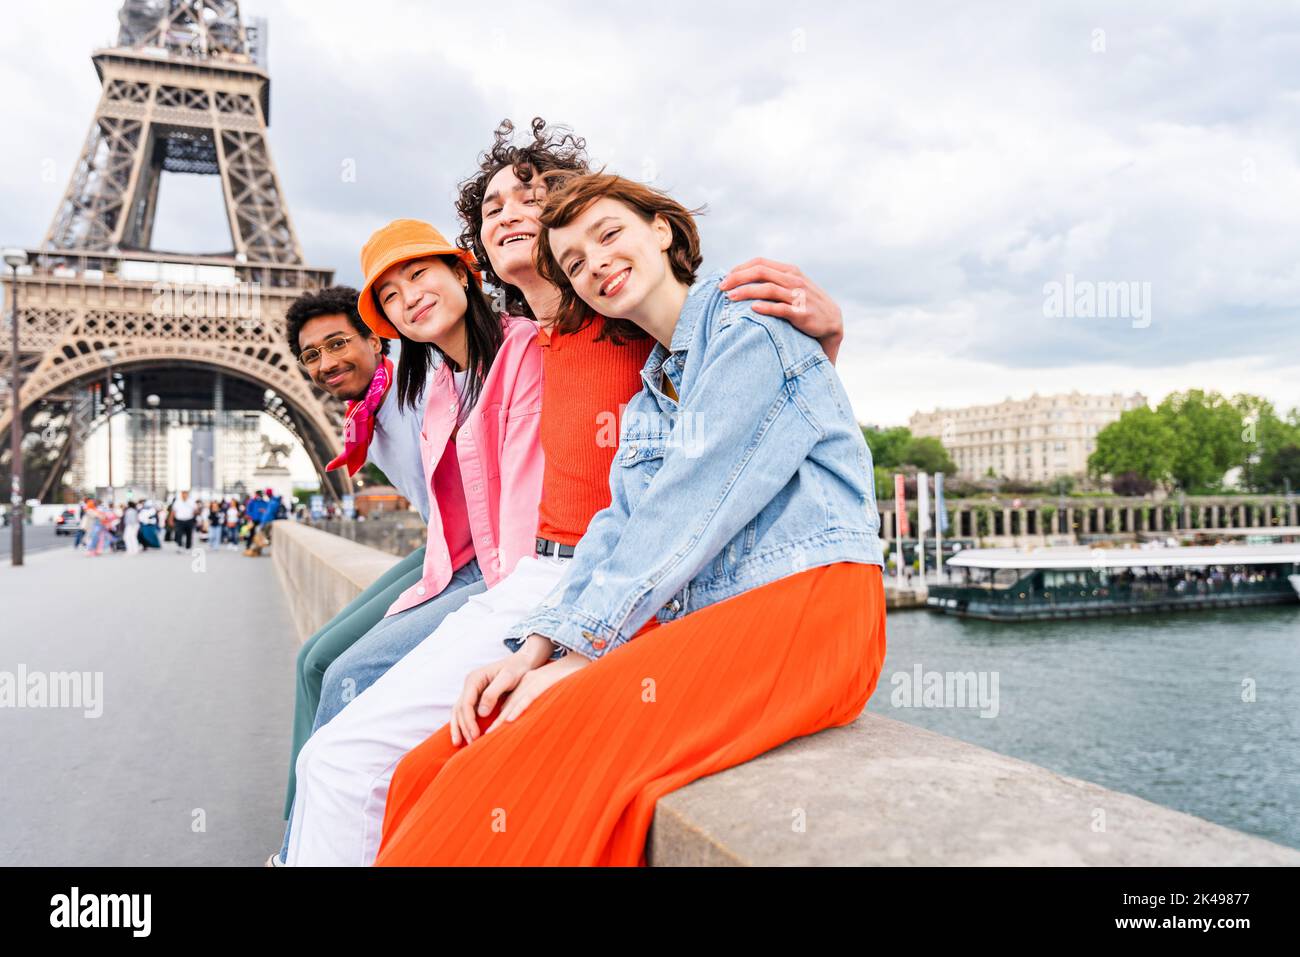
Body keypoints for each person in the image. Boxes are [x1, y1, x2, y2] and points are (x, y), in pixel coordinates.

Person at [283, 118, 848, 866]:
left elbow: (731, 411)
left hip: (591, 589)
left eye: (533, 197)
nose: (513, 214)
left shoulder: (626, 325)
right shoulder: (519, 345)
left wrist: (828, 341)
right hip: (550, 585)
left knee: (369, 743)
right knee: (384, 749)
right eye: (492, 210)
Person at [277, 219, 544, 866]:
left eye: (340, 343)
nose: (326, 363)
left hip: (495, 562)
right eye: (311, 356)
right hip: (450, 546)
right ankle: (298, 825)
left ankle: (296, 841)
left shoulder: (428, 377)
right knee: (315, 661)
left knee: (337, 672)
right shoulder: (405, 395)